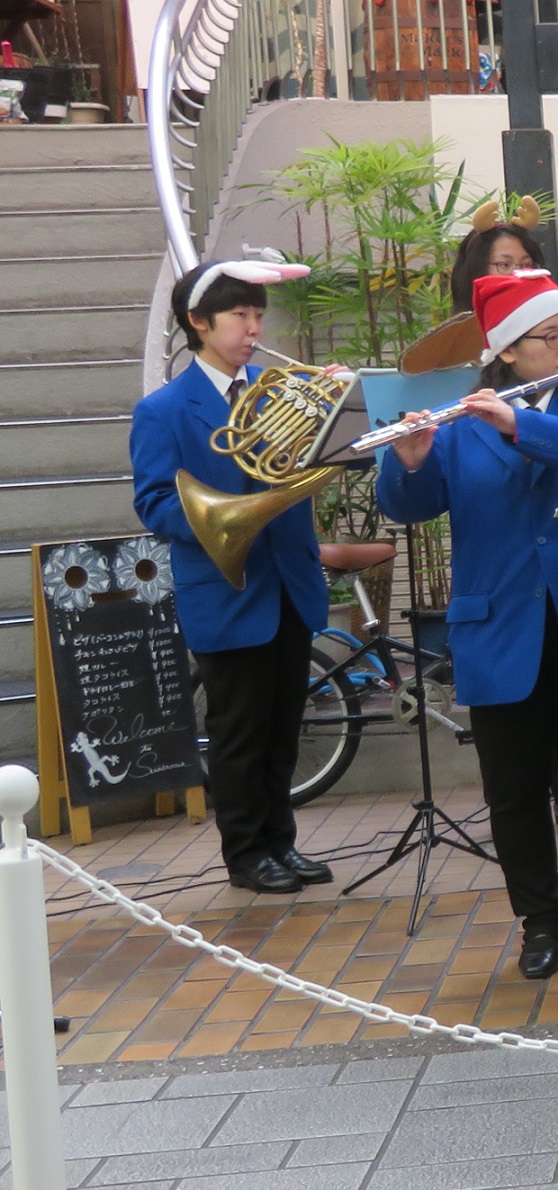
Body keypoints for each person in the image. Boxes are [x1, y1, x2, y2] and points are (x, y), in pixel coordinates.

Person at [377, 272, 558, 982]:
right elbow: (409, 504)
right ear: (507, 352)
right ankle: (540, 922)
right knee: (513, 790)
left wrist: (517, 422)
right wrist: (407, 462)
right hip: (495, 626)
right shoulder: (459, 421)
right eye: (549, 337)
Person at [130, 258, 336, 894]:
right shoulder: (164, 409)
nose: (252, 328)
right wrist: (226, 520)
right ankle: (246, 853)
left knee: (282, 727)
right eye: (239, 316)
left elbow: (320, 463)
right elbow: (155, 500)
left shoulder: (282, 392)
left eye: (257, 315)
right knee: (238, 730)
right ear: (198, 322)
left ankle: (282, 842)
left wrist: (334, 414)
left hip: (289, 580)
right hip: (226, 584)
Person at [446, 211, 543, 313]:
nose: (517, 274)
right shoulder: (460, 328)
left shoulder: (547, 322)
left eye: (526, 265)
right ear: (476, 269)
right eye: (504, 265)